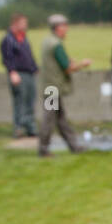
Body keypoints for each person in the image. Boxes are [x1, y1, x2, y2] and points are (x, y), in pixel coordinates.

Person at [38, 13, 92, 157]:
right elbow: (68, 68)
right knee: (49, 119)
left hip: (50, 86)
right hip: (52, 88)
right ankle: (43, 149)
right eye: (64, 26)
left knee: (60, 118)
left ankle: (73, 146)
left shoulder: (47, 41)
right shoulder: (56, 45)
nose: (66, 29)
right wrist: (82, 64)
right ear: (57, 28)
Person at [0, 13, 38, 138]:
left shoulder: (23, 38)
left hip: (29, 73)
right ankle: (18, 128)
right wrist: (12, 72)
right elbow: (7, 58)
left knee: (30, 101)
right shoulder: (8, 40)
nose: (26, 26)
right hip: (18, 74)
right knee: (20, 102)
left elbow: (28, 56)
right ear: (15, 24)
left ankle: (30, 127)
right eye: (23, 23)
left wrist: (34, 68)